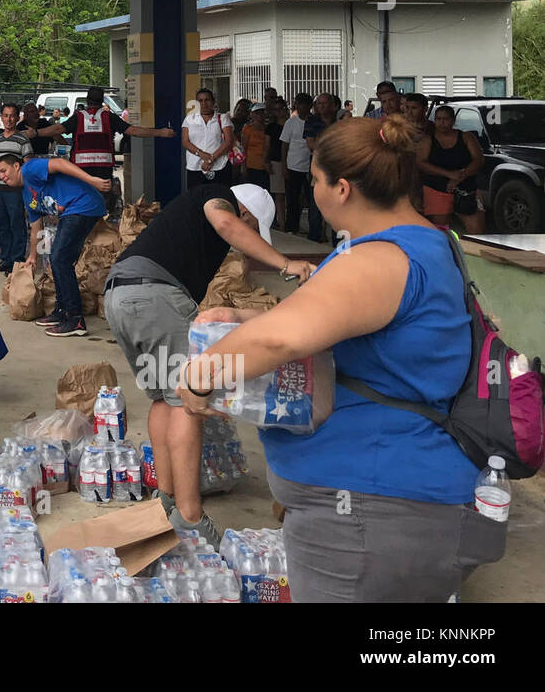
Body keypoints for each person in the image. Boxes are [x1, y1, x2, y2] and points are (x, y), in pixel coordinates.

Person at [178, 117, 480, 601]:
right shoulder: (422, 243)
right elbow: (336, 327)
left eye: (315, 180)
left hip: (369, 508)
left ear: (341, 188)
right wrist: (241, 317)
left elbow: (282, 341)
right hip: (383, 504)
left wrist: (198, 377)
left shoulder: (380, 260)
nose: (313, 189)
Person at [105, 181, 314, 547]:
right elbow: (226, 224)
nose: (244, 237)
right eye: (250, 228)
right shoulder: (215, 195)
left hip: (120, 294)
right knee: (189, 402)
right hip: (155, 295)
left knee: (164, 398)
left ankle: (166, 501)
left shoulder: (192, 225)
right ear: (244, 212)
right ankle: (190, 517)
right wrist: (286, 263)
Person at [0, 148, 111, 337]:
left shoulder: (29, 169)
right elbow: (36, 227)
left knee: (59, 259)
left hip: (83, 204)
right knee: (59, 260)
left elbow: (60, 164)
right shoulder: (26, 195)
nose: (2, 177)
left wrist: (92, 180)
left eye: (4, 171)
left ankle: (75, 318)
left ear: (16, 166)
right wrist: (32, 256)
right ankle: (62, 311)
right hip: (72, 211)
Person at [35, 86, 174, 217]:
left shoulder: (79, 117)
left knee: (82, 199)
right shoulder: (109, 117)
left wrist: (36, 133)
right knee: (102, 201)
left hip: (80, 168)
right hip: (103, 168)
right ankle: (101, 226)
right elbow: (133, 130)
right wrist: (160, 132)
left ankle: (87, 231)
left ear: (87, 100)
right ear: (102, 101)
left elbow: (58, 129)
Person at [417, 105, 485, 233]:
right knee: (441, 230)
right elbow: (421, 163)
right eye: (438, 119)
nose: (441, 123)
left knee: (476, 231)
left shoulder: (466, 137)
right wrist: (449, 174)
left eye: (445, 119)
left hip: (467, 188)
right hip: (436, 188)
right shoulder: (428, 140)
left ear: (453, 120)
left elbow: (478, 160)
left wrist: (460, 176)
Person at [0, 103, 33, 274]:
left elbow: (29, 165)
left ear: (17, 117)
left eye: (12, 116)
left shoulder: (22, 140)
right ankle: (5, 259)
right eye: (5, 115)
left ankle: (17, 261)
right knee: (3, 224)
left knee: (17, 224)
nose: (9, 119)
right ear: (1, 117)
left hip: (16, 190)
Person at [303, 93, 340, 243]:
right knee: (315, 202)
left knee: (337, 202)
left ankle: (337, 239)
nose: (322, 106)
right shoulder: (311, 121)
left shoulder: (340, 121)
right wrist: (330, 144)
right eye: (319, 104)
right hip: (318, 164)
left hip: (337, 164)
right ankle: (314, 237)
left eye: (325, 103)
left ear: (333, 105)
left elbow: (344, 143)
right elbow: (311, 144)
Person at [181, 87, 235, 188]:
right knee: (196, 200)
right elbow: (185, 142)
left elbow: (228, 141)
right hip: (195, 167)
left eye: (207, 100)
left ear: (213, 101)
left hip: (219, 166)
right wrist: (202, 154)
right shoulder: (189, 119)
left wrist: (211, 159)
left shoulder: (223, 118)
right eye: (200, 100)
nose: (204, 104)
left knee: (219, 200)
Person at [281, 93, 313, 234]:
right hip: (293, 165)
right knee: (292, 198)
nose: (301, 107)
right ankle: (291, 227)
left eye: (304, 104)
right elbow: (284, 145)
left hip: (311, 165)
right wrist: (284, 165)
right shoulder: (291, 123)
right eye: (298, 104)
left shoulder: (314, 121)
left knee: (311, 199)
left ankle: (313, 229)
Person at [266, 98, 288, 229]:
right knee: (279, 194)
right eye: (276, 110)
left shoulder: (291, 123)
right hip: (276, 160)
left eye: (281, 109)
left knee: (292, 194)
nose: (279, 112)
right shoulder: (271, 127)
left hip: (293, 161)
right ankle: (282, 222)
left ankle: (288, 221)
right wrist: (266, 160)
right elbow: (267, 146)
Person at [239, 104, 269, 188]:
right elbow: (243, 148)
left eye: (262, 112)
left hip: (264, 166)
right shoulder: (247, 128)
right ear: (252, 114)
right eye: (257, 113)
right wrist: (243, 167)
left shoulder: (268, 128)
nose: (260, 115)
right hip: (251, 165)